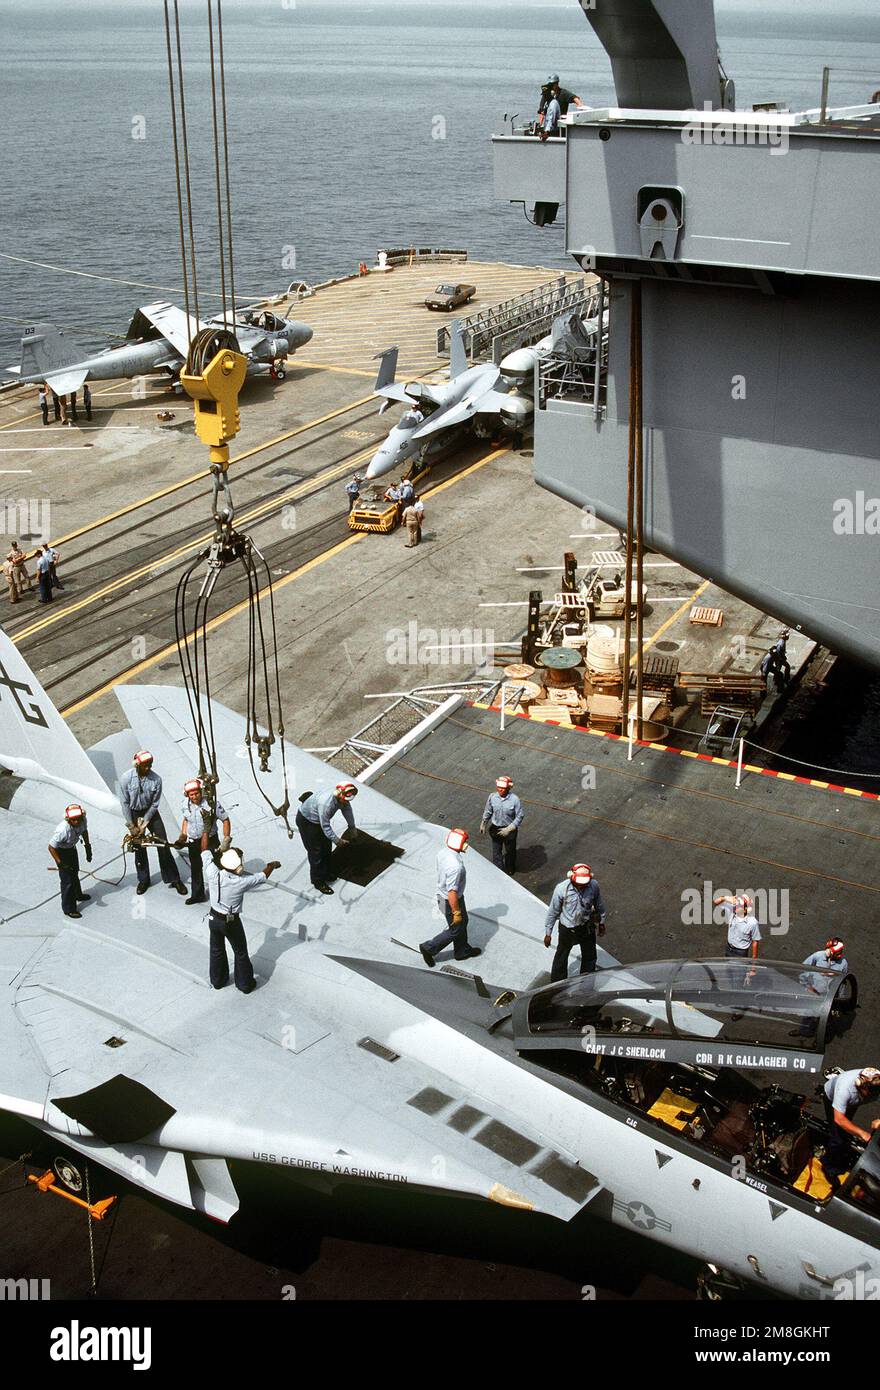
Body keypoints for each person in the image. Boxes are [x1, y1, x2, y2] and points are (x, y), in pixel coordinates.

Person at [202, 844, 280, 993]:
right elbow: (262, 876)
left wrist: (206, 829)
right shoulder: (240, 882)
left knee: (216, 950)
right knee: (240, 952)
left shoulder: (212, 872)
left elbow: (205, 850)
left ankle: (218, 981)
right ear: (238, 867)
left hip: (213, 918)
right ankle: (245, 984)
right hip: (230, 922)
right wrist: (272, 865)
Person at [119, 749, 187, 896]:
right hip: (133, 812)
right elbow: (124, 802)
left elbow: (155, 804)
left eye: (150, 765)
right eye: (145, 765)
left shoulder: (156, 780)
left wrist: (145, 822)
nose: (148, 768)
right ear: (137, 765)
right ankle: (143, 879)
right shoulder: (126, 778)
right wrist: (132, 825)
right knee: (139, 847)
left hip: (150, 813)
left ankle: (173, 878)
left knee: (162, 843)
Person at [419, 828, 481, 967]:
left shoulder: (443, 853)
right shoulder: (456, 867)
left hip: (441, 896)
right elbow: (452, 892)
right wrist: (456, 912)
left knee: (463, 923)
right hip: (451, 901)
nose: (467, 845)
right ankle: (429, 948)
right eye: (465, 842)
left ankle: (461, 951)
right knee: (456, 928)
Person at [544, 863, 606, 980]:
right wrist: (548, 933)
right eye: (578, 884)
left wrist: (601, 923)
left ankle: (585, 983)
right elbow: (553, 912)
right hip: (567, 930)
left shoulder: (594, 886)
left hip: (586, 927)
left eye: (584, 884)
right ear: (571, 878)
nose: (581, 887)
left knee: (590, 957)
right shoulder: (561, 889)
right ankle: (557, 985)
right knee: (561, 957)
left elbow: (599, 905)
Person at [174, 777, 231, 905]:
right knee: (196, 868)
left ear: (201, 791)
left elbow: (225, 820)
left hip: (211, 840)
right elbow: (186, 820)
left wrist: (226, 839)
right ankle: (198, 895)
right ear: (187, 795)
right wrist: (183, 835)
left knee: (219, 865)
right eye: (191, 795)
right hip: (194, 841)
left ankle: (226, 891)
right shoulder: (184, 804)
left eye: (197, 793)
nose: (194, 797)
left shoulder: (212, 804)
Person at [295, 783, 359, 895]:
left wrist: (352, 827)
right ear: (340, 796)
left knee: (326, 847)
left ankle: (326, 873)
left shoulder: (342, 799)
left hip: (318, 822)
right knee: (316, 852)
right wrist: (338, 841)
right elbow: (325, 826)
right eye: (346, 800)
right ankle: (318, 881)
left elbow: (347, 810)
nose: (347, 802)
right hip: (307, 822)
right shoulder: (326, 804)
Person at [822, 1067, 880, 1184]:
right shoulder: (845, 1089)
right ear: (861, 1085)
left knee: (848, 1126)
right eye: (871, 1092)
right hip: (834, 1101)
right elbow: (839, 1119)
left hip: (853, 1102)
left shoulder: (875, 1086)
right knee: (838, 1138)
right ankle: (830, 1167)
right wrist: (863, 1134)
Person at [48, 803, 93, 919]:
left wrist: (88, 847)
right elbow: (51, 847)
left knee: (75, 873)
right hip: (61, 852)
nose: (77, 822)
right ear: (69, 819)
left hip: (72, 849)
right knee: (67, 881)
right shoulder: (63, 830)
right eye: (74, 820)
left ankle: (78, 894)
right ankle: (69, 909)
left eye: (78, 819)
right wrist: (60, 863)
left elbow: (84, 831)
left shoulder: (83, 821)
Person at [480, 774, 524, 875]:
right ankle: (498, 870)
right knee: (496, 851)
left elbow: (520, 816)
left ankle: (510, 868)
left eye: (503, 788)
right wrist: (483, 823)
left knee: (510, 851)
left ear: (508, 788)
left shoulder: (515, 800)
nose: (500, 789)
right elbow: (488, 811)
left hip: (509, 830)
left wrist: (509, 829)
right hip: (495, 828)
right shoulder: (492, 797)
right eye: (499, 787)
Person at [714, 892, 762, 960]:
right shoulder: (732, 910)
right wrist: (725, 898)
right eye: (737, 904)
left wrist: (754, 962)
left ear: (745, 909)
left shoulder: (752, 922)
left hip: (740, 953)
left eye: (739, 906)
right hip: (729, 949)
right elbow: (715, 902)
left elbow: (755, 941)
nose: (736, 906)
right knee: (727, 969)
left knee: (739, 970)